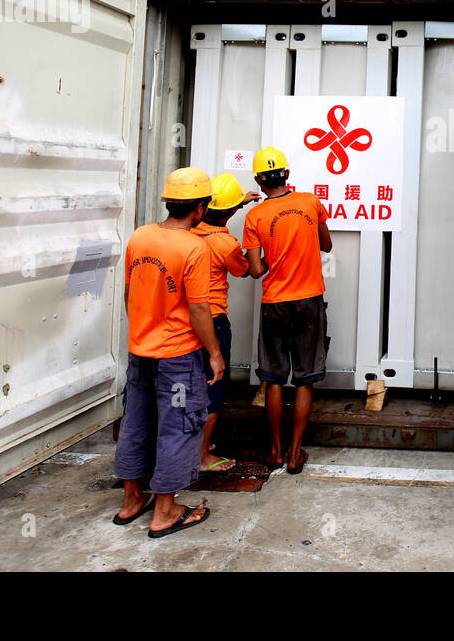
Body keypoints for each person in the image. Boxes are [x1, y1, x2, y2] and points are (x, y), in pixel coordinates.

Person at [112, 167, 225, 538]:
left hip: (140, 351)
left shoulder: (140, 236)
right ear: (201, 208)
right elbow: (198, 309)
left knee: (136, 420)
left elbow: (130, 293)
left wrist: (141, 331)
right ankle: (165, 510)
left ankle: (131, 501)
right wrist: (214, 353)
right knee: (178, 427)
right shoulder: (195, 247)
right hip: (177, 356)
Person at [242, 147, 333, 474]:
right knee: (305, 380)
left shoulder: (255, 217)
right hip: (309, 300)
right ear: (287, 175)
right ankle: (296, 454)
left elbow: (254, 270)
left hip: (275, 304)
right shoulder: (310, 202)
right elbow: (327, 244)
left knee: (275, 379)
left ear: (258, 180)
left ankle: (275, 451)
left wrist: (272, 257)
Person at [192, 173, 262, 472]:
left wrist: (238, 202)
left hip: (184, 321)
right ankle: (202, 456)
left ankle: (188, 445)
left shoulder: (187, 232)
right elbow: (246, 270)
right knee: (214, 388)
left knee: (189, 382)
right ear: (232, 212)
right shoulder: (225, 243)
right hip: (214, 321)